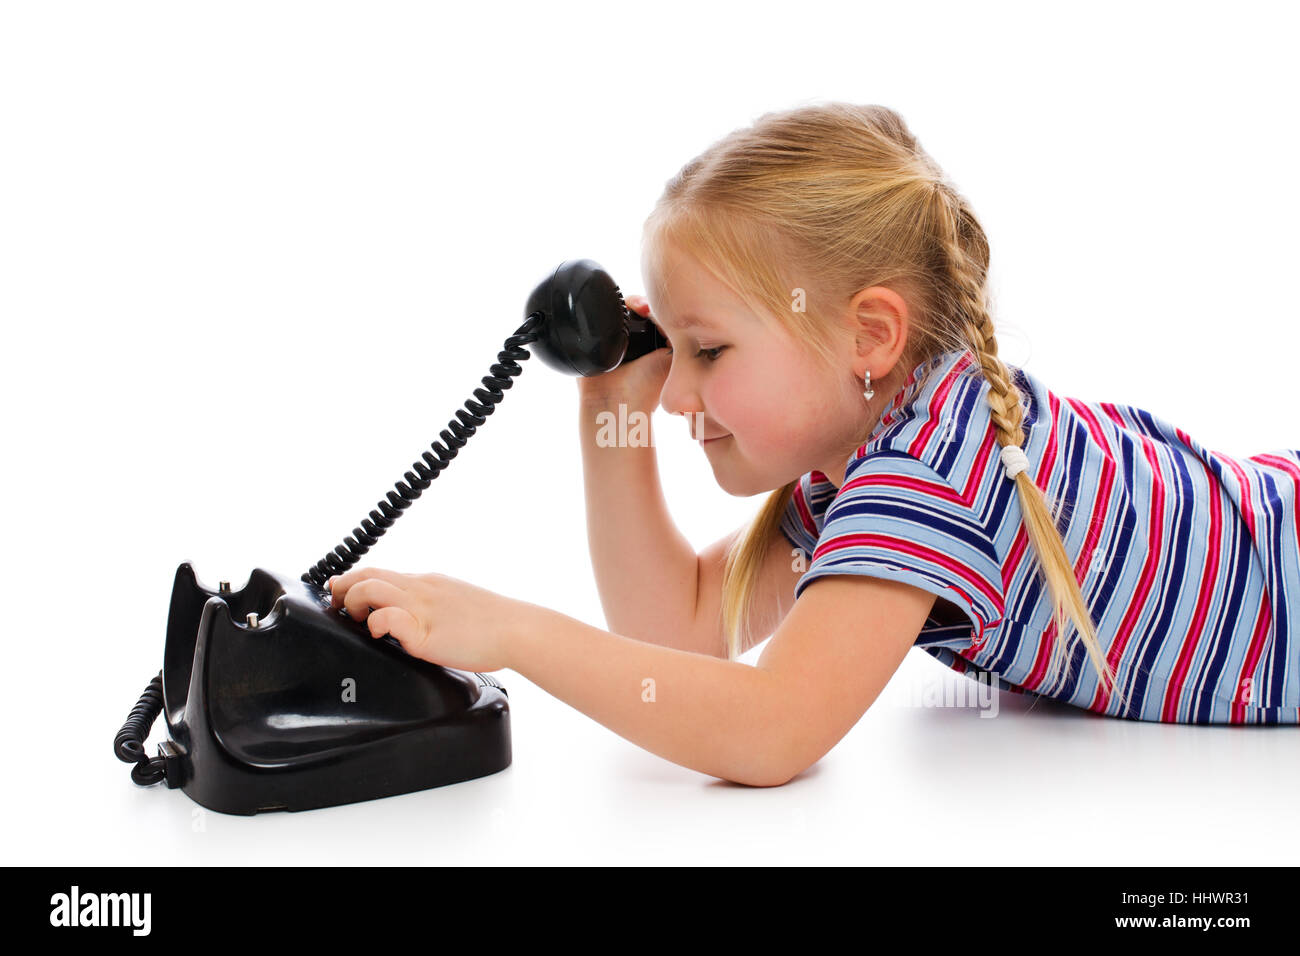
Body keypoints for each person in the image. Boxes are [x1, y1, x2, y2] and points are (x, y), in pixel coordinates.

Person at [327, 103, 1300, 788]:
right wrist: (605, 411)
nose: (675, 395)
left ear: (869, 337)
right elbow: (682, 628)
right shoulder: (862, 466)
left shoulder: (929, 473)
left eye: (707, 349)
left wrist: (514, 633)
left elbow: (772, 728)